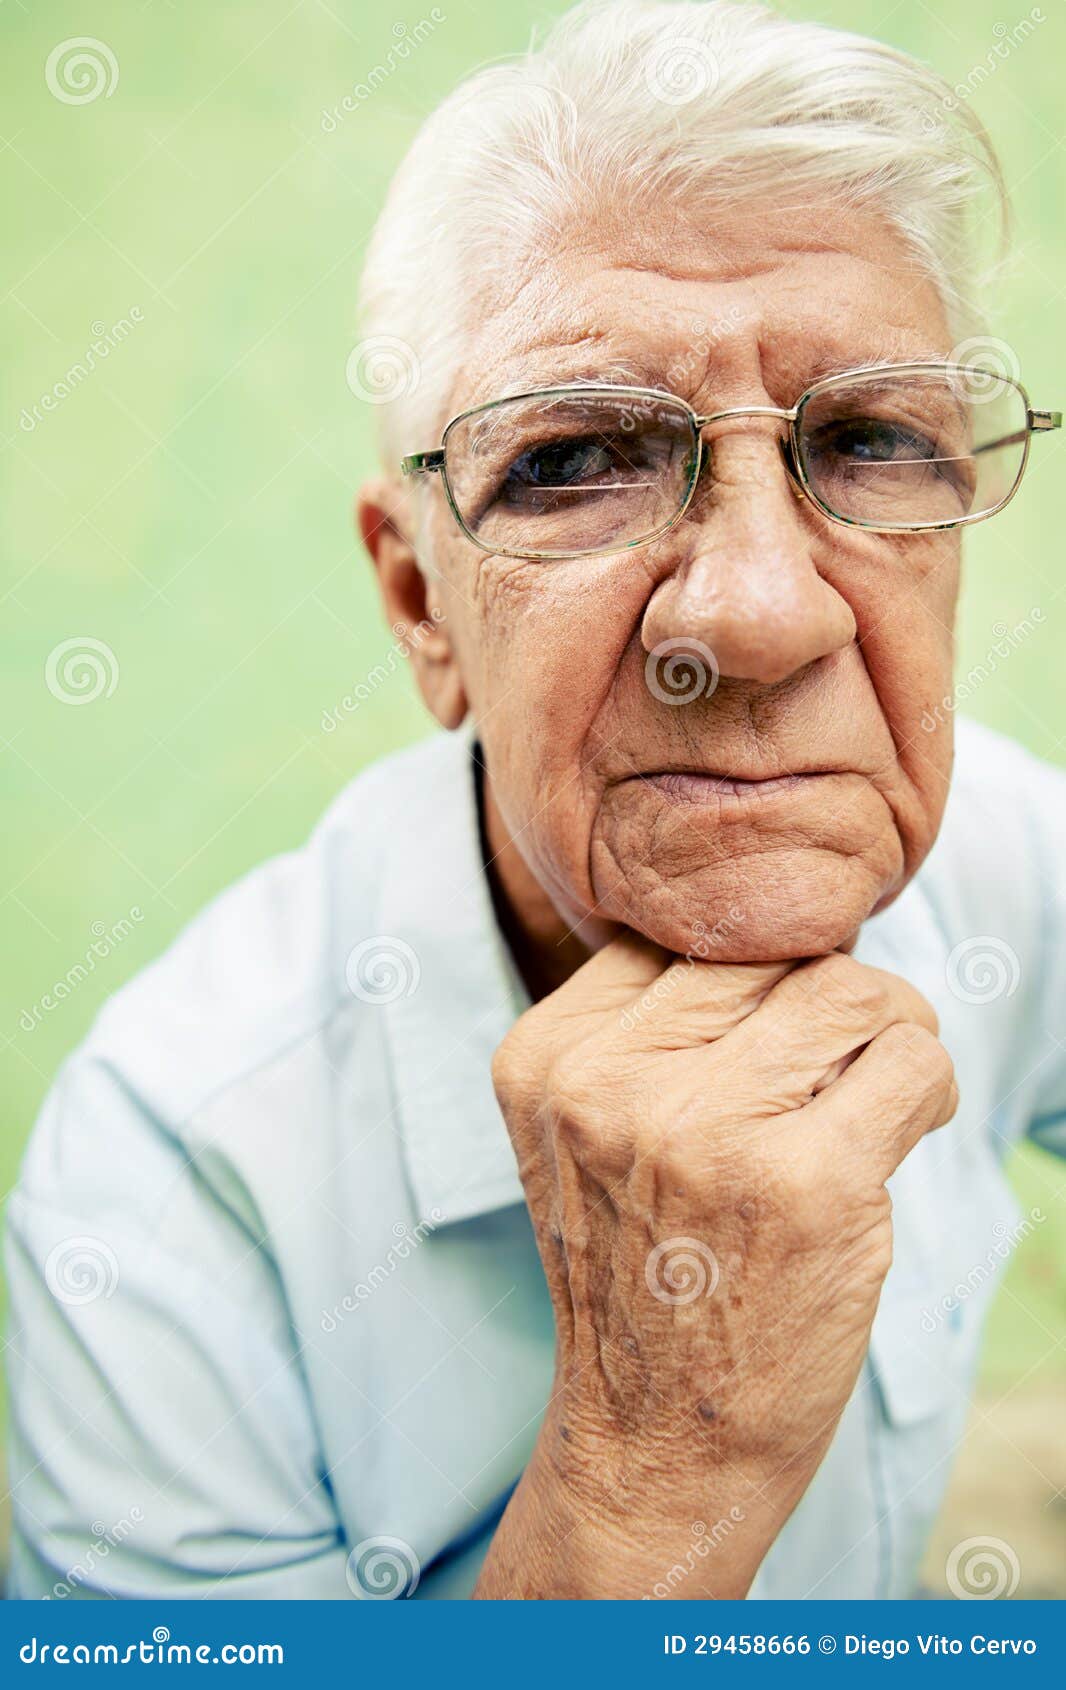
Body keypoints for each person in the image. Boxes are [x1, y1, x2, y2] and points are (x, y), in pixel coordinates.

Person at [5, 0, 1063, 1601]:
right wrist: (650, 1475)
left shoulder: (998, 852)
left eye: (865, 437)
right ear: (421, 605)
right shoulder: (166, 1186)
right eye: (576, 462)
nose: (762, 611)